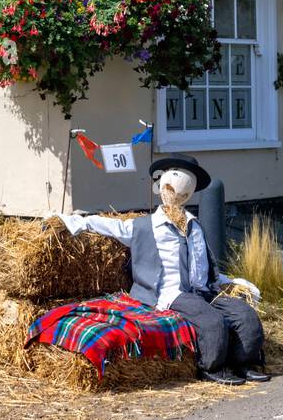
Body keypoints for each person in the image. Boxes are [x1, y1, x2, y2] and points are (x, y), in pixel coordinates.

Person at [52, 154, 269, 386]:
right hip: (170, 294)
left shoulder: (194, 226)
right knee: (212, 321)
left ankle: (244, 363)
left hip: (203, 291)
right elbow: (110, 226)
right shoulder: (145, 226)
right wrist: (73, 221)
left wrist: (228, 282)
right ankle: (212, 367)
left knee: (245, 316)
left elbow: (204, 265)